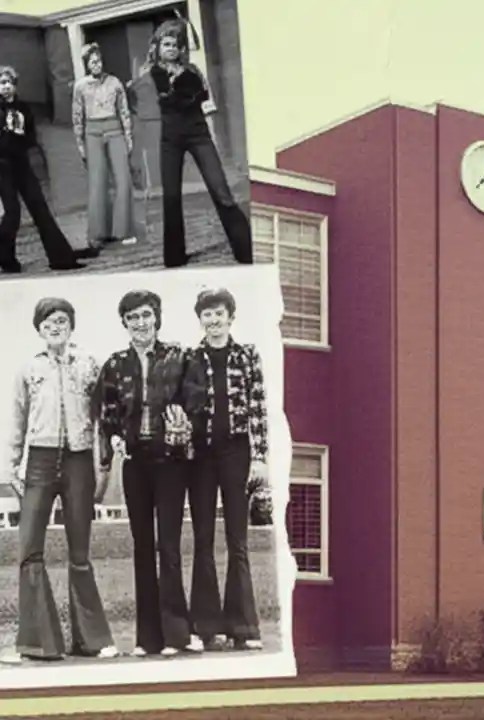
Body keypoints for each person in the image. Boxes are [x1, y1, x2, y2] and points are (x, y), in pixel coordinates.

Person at [0, 299, 117, 664]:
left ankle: (91, 641)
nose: (55, 326)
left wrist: (104, 465)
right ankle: (38, 644)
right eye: (48, 321)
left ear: (71, 325)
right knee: (30, 548)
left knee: (80, 551)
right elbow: (17, 420)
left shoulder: (90, 365)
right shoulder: (28, 369)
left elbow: (104, 418)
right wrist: (10, 467)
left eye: (62, 320)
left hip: (79, 461)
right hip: (39, 461)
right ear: (39, 328)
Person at [96, 290, 202, 657]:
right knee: (142, 547)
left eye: (145, 315)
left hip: (170, 460)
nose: (140, 323)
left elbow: (195, 401)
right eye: (132, 317)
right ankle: (148, 639)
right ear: (124, 323)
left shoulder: (180, 356)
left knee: (168, 546)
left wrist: (184, 425)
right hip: (135, 463)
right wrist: (114, 436)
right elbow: (107, 410)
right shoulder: (115, 364)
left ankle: (177, 635)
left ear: (156, 317)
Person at [183, 288, 268, 652]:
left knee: (238, 540)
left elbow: (258, 407)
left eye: (219, 313)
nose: (214, 320)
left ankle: (243, 627)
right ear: (200, 319)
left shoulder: (247, 355)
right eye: (207, 314)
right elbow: (183, 407)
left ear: (230, 317)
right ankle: (206, 627)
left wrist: (260, 457)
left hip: (237, 452)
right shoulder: (190, 358)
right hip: (201, 456)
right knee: (203, 539)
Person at [142, 19, 251, 267]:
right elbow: (168, 97)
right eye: (166, 44)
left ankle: (245, 249)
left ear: (180, 48)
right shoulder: (153, 74)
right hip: (170, 139)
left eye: (175, 44)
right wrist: (183, 90)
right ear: (157, 47)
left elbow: (201, 96)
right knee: (171, 198)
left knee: (221, 191)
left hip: (198, 134)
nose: (171, 48)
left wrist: (184, 85)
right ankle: (174, 258)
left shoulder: (191, 70)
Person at [0, 66, 93, 273]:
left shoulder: (23, 108)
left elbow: (31, 136)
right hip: (2, 166)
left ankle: (61, 258)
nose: (5, 87)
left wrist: (21, 138)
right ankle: (6, 258)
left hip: (21, 163)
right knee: (12, 213)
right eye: (1, 83)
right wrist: (7, 132)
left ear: (15, 86)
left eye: (8, 83)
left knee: (40, 209)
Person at [72, 43, 136, 248]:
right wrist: (80, 144)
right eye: (92, 62)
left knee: (123, 179)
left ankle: (123, 231)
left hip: (114, 128)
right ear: (86, 64)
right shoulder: (80, 86)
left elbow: (124, 111)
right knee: (97, 182)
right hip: (92, 132)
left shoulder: (115, 82)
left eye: (98, 61)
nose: (96, 65)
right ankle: (97, 234)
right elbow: (77, 116)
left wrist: (128, 137)